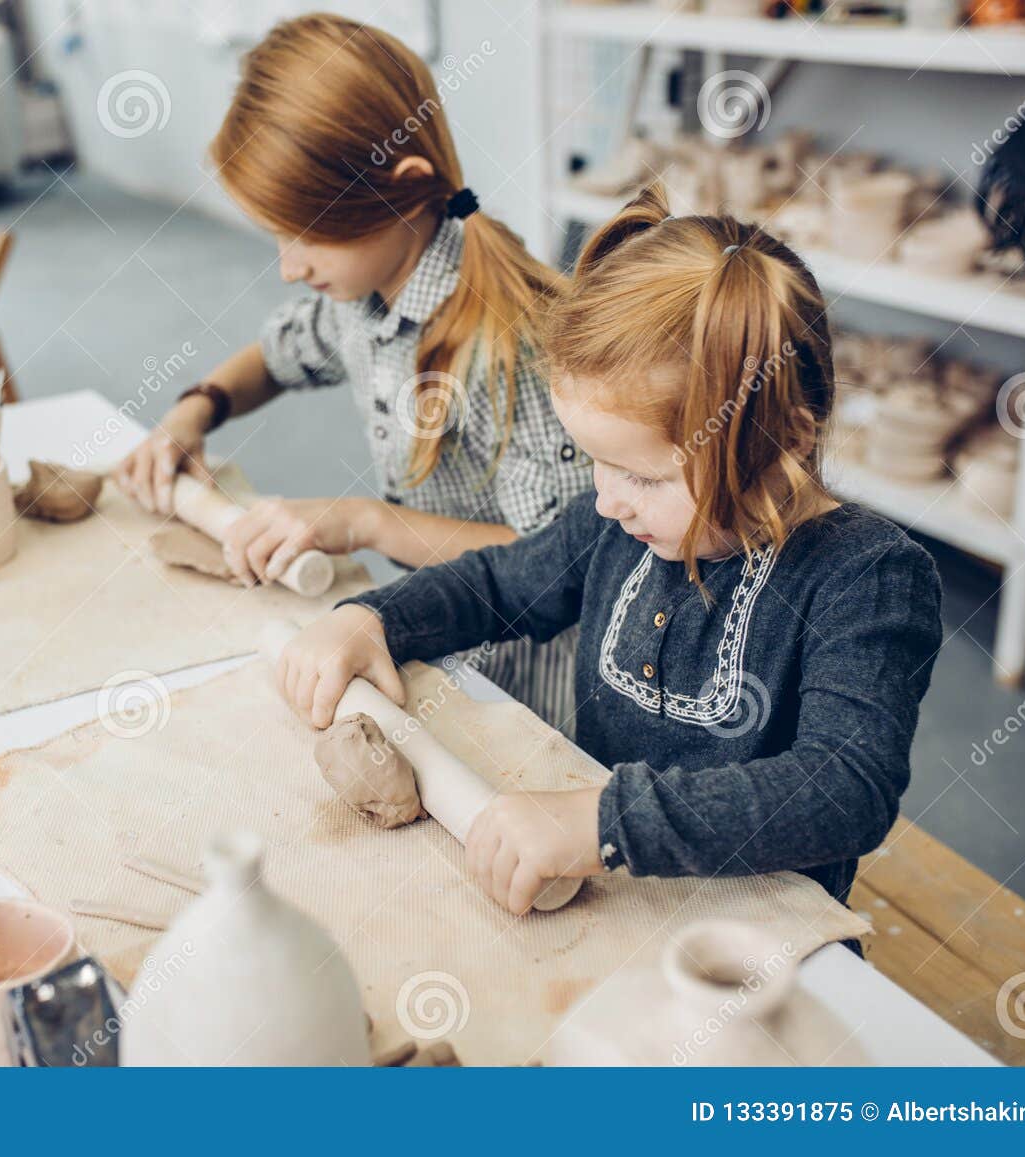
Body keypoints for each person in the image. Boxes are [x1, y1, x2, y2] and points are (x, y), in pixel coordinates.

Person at [274, 186, 943, 916]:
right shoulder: (617, 528)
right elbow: (497, 583)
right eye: (598, 462)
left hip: (758, 930)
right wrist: (373, 618)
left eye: (644, 475)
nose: (607, 499)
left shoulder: (869, 578)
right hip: (606, 896)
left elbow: (843, 787)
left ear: (784, 440)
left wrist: (600, 822)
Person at [115, 13, 592, 731]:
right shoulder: (363, 290)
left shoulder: (513, 346)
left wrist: (366, 522)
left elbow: (567, 564)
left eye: (309, 234)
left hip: (527, 689)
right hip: (441, 643)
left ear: (406, 186)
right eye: (278, 234)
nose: (289, 266)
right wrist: (197, 410)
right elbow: (277, 357)